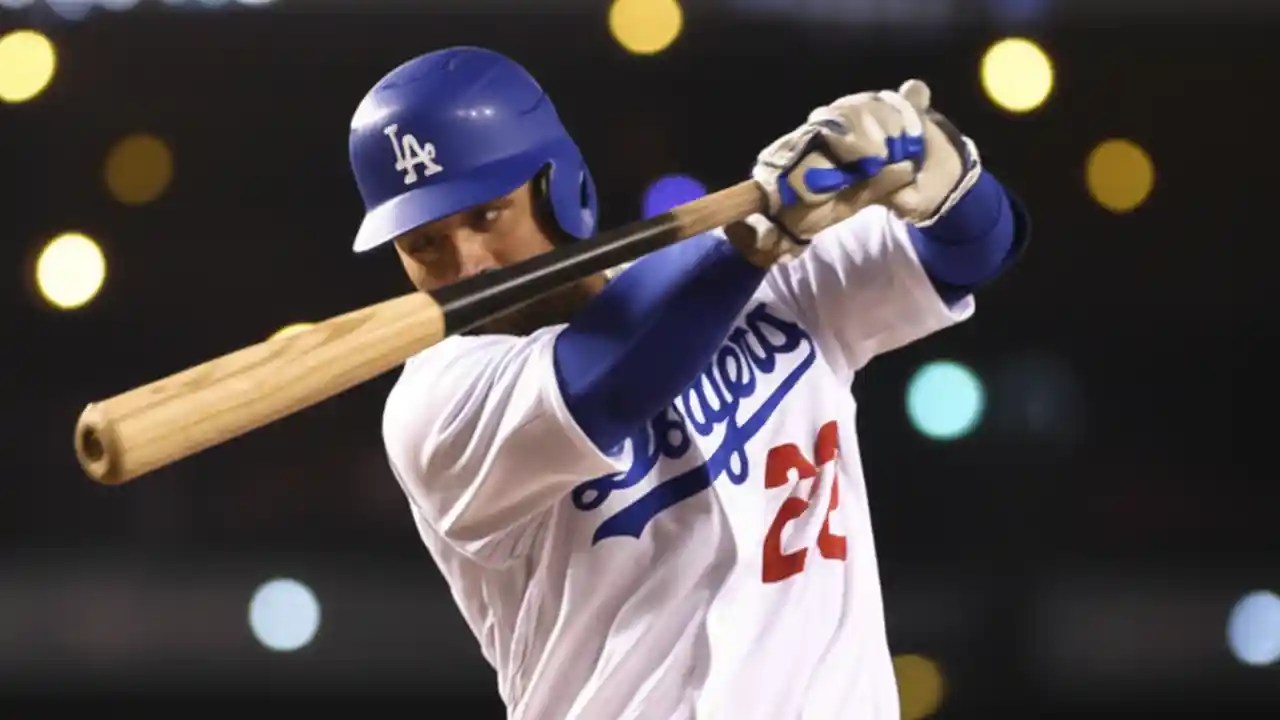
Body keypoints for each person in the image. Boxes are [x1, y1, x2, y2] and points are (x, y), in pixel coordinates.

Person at [346, 46, 1028, 719]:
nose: (466, 264)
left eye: (485, 216)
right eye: (424, 243)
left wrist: (945, 173)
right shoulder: (434, 402)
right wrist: (756, 235)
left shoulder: (758, 268)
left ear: (561, 186)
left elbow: (970, 254)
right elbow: (606, 379)